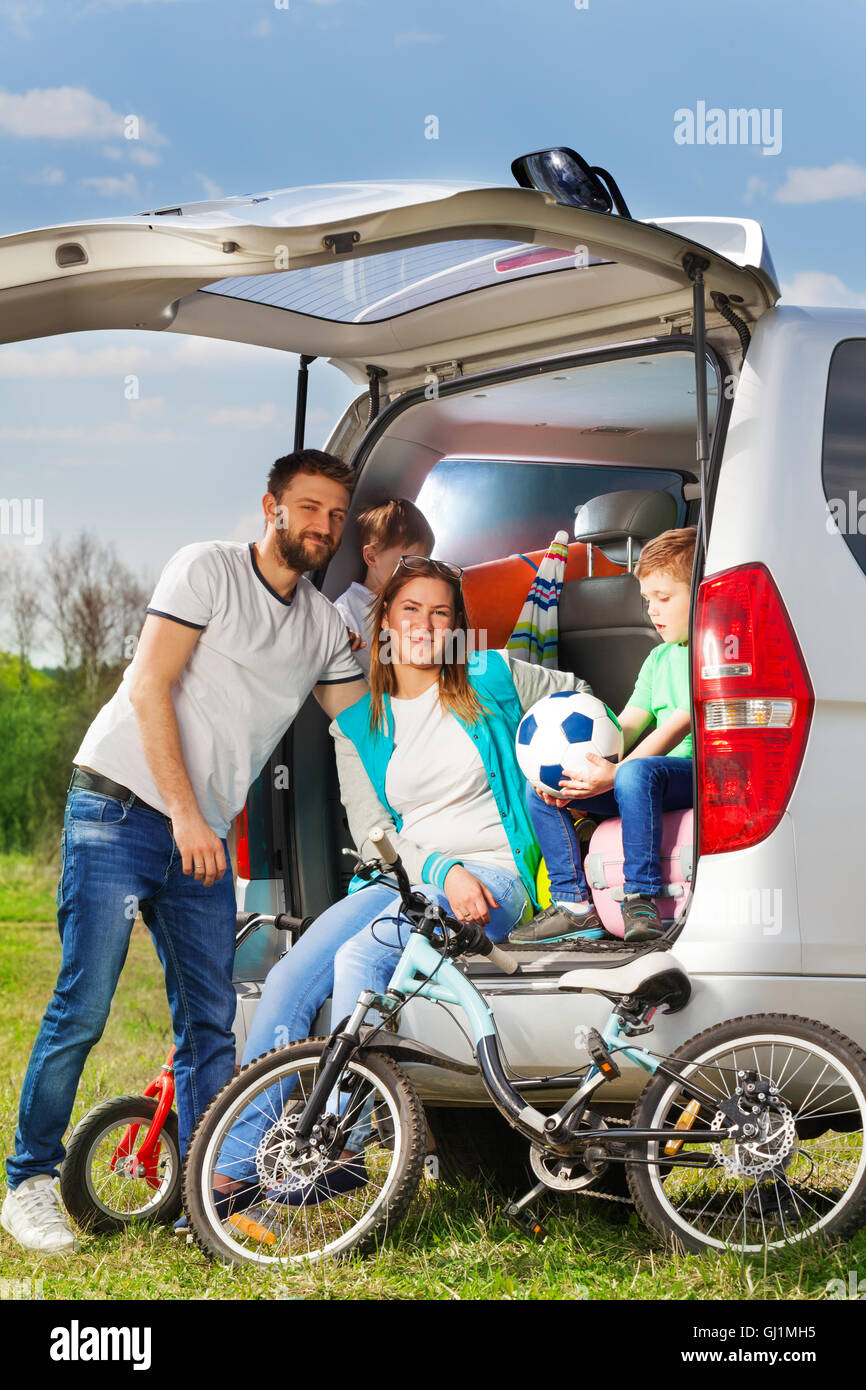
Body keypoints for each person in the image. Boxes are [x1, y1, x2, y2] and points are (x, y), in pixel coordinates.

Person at [1, 449, 367, 1253]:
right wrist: (187, 815)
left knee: (209, 1021)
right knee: (84, 1003)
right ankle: (28, 1181)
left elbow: (369, 729)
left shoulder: (321, 626)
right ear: (271, 507)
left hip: (199, 838)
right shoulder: (207, 568)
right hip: (120, 808)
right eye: (310, 508)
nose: (324, 526)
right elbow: (148, 686)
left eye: (337, 515)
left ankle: (207, 1196)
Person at [210, 554, 592, 1210]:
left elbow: (581, 698)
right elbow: (374, 836)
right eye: (410, 609)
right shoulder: (360, 724)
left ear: (457, 625)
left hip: (495, 878)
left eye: (441, 613)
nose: (425, 624)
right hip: (406, 879)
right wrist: (441, 869)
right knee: (290, 977)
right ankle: (231, 1172)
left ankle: (341, 1147)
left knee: (362, 956)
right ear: (384, 619)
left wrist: (579, 768)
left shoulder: (493, 677)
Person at [510, 527, 696, 947]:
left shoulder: (707, 651)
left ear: (701, 593)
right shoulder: (659, 658)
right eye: (647, 600)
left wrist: (617, 773)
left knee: (635, 775)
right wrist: (585, 769)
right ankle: (573, 903)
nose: (653, 611)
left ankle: (640, 896)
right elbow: (626, 725)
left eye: (664, 598)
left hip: (691, 775)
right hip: (641, 779)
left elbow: (678, 725)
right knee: (542, 785)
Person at [333, 498, 434, 677]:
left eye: (421, 566)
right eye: (406, 564)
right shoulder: (346, 612)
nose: (415, 575)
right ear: (371, 557)